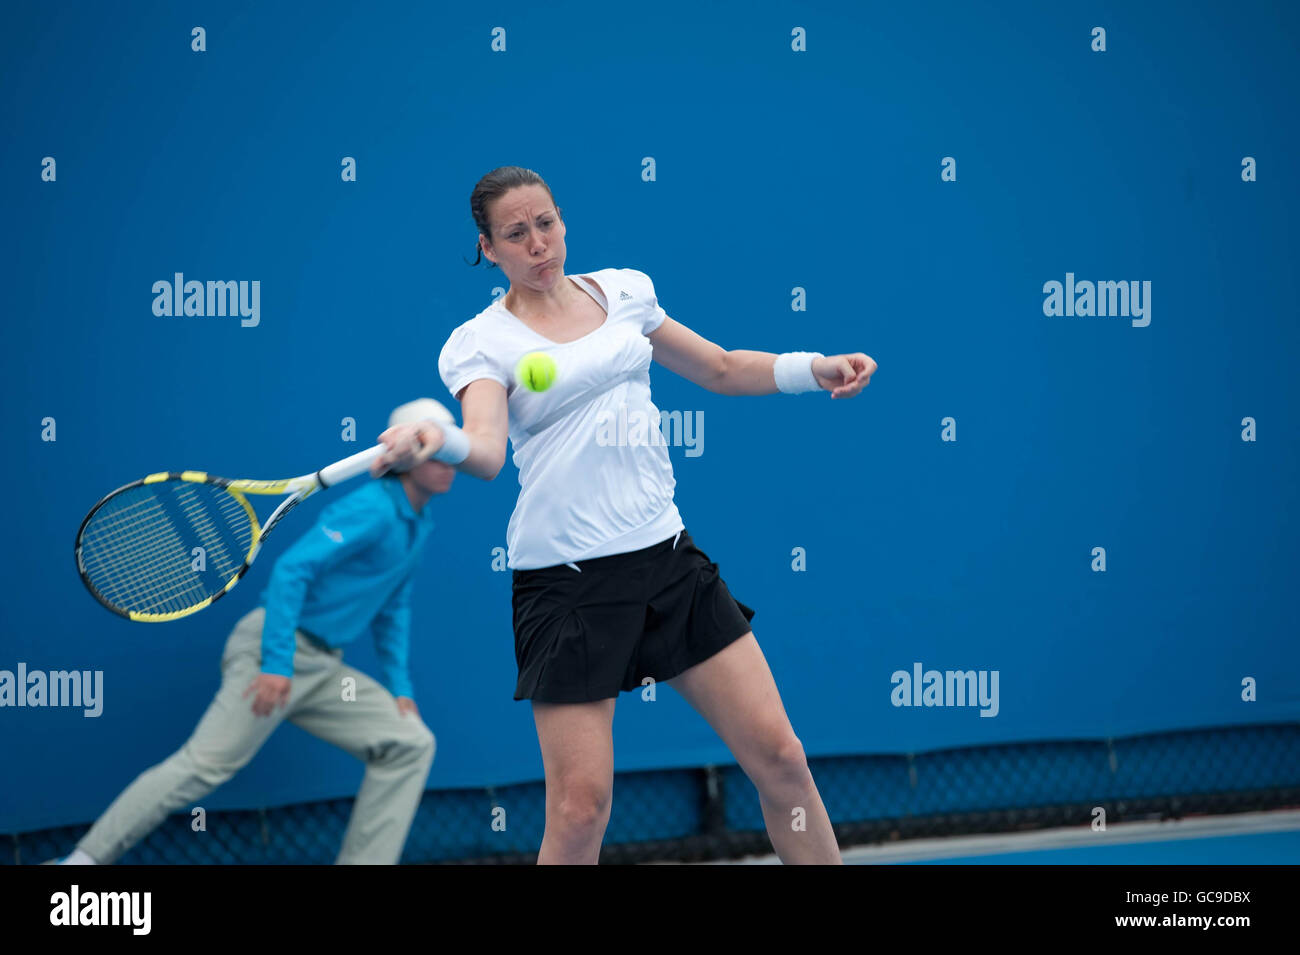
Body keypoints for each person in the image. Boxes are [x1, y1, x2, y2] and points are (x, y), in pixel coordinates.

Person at [375, 166, 876, 864]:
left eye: (545, 222)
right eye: (516, 234)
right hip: (567, 586)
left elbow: (723, 368)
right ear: (488, 249)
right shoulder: (481, 341)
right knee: (581, 810)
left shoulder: (626, 292)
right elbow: (487, 451)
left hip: (669, 561)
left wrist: (811, 366)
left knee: (781, 756)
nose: (538, 244)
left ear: (562, 220)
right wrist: (441, 439)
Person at [54, 399, 455, 866]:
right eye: (432, 447)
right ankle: (78, 866)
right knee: (202, 767)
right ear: (403, 457)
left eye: (447, 447)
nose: (448, 460)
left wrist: (400, 688)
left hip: (325, 669)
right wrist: (276, 663)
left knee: (409, 743)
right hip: (274, 648)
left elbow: (393, 608)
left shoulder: (418, 523)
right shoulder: (372, 509)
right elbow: (291, 572)